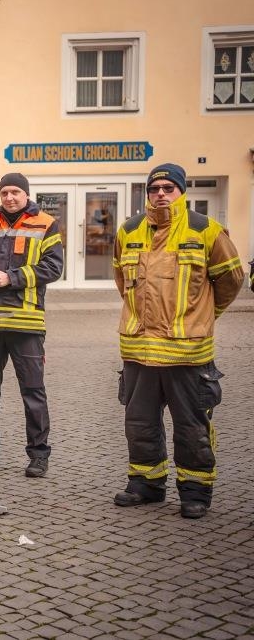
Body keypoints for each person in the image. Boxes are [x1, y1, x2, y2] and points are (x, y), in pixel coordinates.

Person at [112, 163, 243, 519]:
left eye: (169, 187)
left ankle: (195, 491)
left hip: (188, 353)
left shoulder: (206, 231)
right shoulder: (128, 231)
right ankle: (145, 484)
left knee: (192, 427)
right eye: (154, 188)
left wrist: (203, 316)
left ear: (182, 191)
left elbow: (231, 281)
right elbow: (122, 281)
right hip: (139, 351)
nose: (161, 194)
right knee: (139, 424)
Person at [0, 173, 63, 478]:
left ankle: (39, 455)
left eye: (15, 192)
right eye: (4, 192)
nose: (9, 197)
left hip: (26, 322)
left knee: (33, 391)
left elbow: (53, 267)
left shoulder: (46, 224)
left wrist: (10, 277)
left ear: (26, 194)